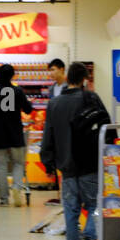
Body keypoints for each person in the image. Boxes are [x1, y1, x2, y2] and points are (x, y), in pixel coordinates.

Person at [40, 61, 110, 240]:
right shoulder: (91, 98)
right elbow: (106, 125)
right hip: (90, 164)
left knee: (71, 211)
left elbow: (48, 135)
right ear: (84, 80)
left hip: (66, 166)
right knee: (95, 206)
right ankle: (89, 235)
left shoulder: (54, 103)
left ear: (68, 78)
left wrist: (48, 162)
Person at [0, 64, 32, 205]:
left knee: (1, 165)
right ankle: (16, 187)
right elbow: (28, 110)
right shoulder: (18, 91)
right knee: (18, 163)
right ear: (12, 75)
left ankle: (3, 198)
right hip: (16, 133)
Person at [44, 59, 68, 203]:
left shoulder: (70, 86)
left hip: (66, 129)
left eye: (53, 70)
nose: (51, 73)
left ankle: (66, 195)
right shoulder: (52, 89)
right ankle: (61, 193)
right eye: (50, 71)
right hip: (55, 128)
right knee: (58, 161)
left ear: (62, 69)